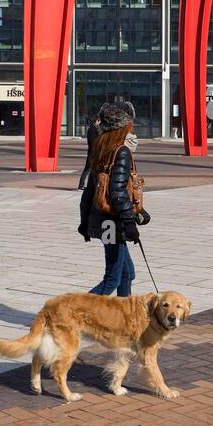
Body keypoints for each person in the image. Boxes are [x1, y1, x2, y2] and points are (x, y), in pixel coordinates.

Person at [77, 102, 150, 297]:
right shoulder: (121, 151)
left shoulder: (100, 148)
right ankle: (74, 311)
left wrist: (84, 223)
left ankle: (123, 317)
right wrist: (130, 221)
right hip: (113, 221)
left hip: (102, 219)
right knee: (112, 278)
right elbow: (118, 191)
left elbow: (90, 191)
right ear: (123, 127)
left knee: (127, 274)